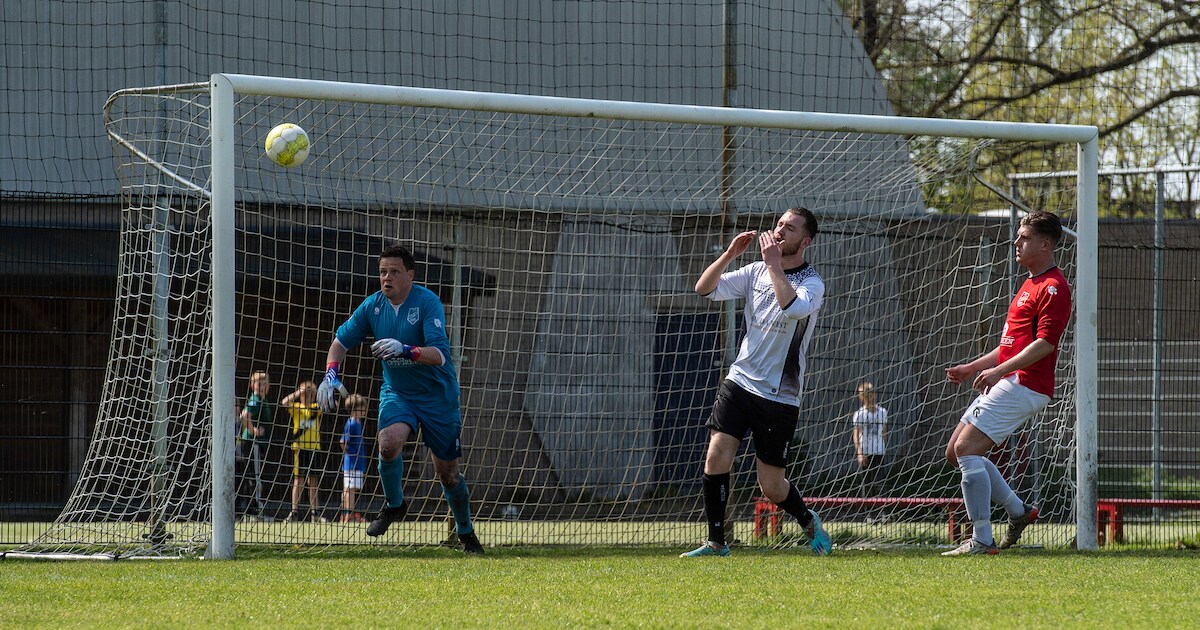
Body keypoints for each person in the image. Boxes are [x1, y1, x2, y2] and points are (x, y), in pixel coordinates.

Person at [681, 207, 832, 557]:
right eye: (779, 224)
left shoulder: (812, 283)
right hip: (739, 382)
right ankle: (717, 543)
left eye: (790, 228)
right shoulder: (753, 271)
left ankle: (808, 520)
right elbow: (704, 289)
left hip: (780, 396)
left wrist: (773, 264)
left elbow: (792, 308)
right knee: (716, 456)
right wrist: (731, 253)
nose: (779, 231)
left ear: (805, 241)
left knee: (772, 487)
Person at [316, 243, 484, 554]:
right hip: (398, 393)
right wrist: (330, 375)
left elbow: (440, 357)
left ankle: (465, 532)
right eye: (382, 272)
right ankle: (394, 505)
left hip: (437, 397)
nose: (386, 278)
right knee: (388, 442)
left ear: (410, 275)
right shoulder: (372, 307)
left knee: (448, 474)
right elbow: (339, 343)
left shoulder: (427, 303)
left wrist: (406, 349)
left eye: (394, 271)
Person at [941, 211, 1072, 556]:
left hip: (1027, 384)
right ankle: (1017, 510)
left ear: (1045, 244)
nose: (1016, 243)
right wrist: (973, 366)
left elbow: (1045, 344)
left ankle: (982, 539)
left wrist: (1000, 372)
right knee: (956, 452)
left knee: (967, 450)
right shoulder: (1029, 284)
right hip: (1013, 379)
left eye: (1024, 237)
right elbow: (1010, 346)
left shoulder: (1054, 287)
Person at [281, 380, 326, 523]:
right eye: (305, 393)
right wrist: (298, 393)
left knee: (313, 480)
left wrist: (317, 394)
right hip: (300, 448)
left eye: (310, 393)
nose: (307, 396)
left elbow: (331, 405)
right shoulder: (296, 408)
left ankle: (315, 513)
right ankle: (294, 512)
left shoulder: (315, 408)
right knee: (298, 480)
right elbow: (284, 402)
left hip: (314, 448)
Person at [237, 370, 272, 521]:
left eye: (265, 383)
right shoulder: (255, 399)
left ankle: (251, 510)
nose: (262, 386)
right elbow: (244, 415)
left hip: (256, 444)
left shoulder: (262, 399)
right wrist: (254, 430)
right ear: (252, 386)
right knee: (255, 476)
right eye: (259, 383)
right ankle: (254, 512)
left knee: (252, 475)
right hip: (252, 443)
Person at [851, 381, 888, 509]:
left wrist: (883, 446)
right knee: (866, 483)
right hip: (866, 451)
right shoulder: (859, 414)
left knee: (880, 483)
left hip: (878, 451)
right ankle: (868, 513)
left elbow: (884, 432)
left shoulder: (882, 412)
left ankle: (882, 512)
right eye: (866, 395)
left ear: (874, 394)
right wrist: (860, 453)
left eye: (871, 394)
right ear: (861, 397)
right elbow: (856, 434)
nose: (869, 397)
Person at [339, 393, 369, 523]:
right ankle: (347, 515)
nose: (365, 411)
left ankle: (349, 513)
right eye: (362, 408)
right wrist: (350, 454)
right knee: (348, 489)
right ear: (355, 409)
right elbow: (342, 441)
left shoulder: (358, 423)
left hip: (358, 463)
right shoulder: (351, 423)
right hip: (351, 462)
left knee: (352, 489)